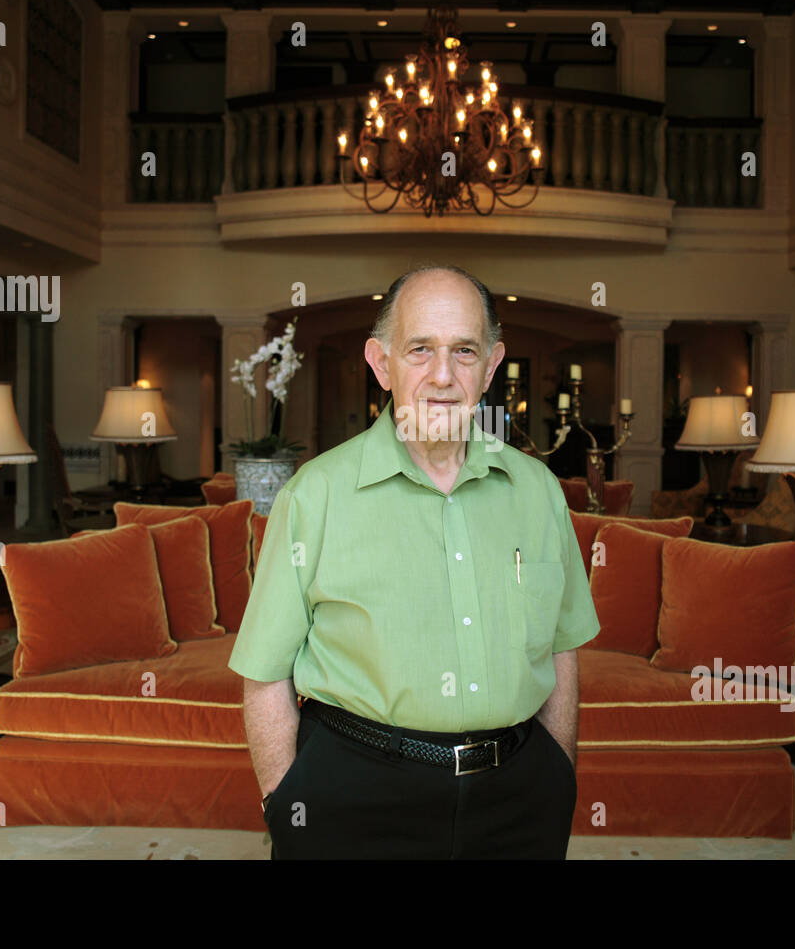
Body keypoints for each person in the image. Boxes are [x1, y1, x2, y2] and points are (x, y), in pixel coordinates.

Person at [228, 263, 599, 859]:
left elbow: (562, 648)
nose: (443, 376)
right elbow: (266, 674)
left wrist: (559, 779)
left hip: (519, 797)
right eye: (420, 349)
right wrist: (286, 801)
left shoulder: (539, 491)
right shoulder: (313, 495)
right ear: (381, 364)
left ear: (491, 367)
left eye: (465, 351)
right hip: (354, 799)